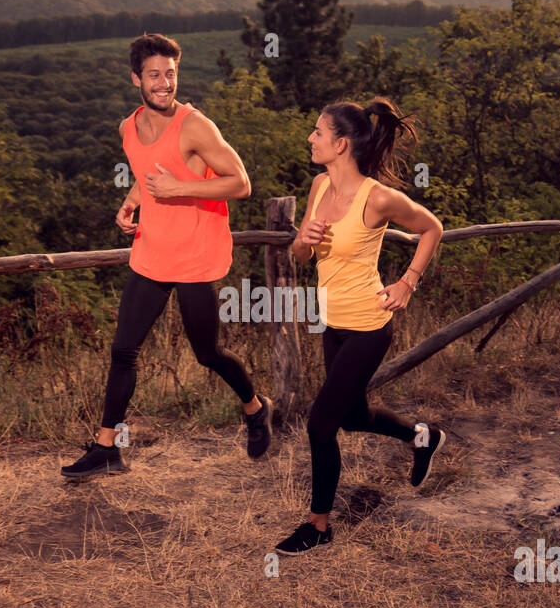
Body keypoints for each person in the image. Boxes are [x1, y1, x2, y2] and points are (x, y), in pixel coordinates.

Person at [61, 33, 272, 479]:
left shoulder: (196, 126)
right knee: (123, 351)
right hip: (152, 252)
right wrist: (131, 201)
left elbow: (241, 183)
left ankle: (255, 408)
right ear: (135, 79)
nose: (164, 83)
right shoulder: (128, 127)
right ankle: (106, 449)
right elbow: (147, 174)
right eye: (154, 75)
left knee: (207, 354)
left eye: (170, 74)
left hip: (195, 256)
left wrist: (181, 188)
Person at [275, 97, 446, 554]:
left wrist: (408, 282)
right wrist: (303, 239)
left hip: (369, 327)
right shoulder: (318, 186)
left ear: (341, 144)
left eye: (318, 132)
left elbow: (432, 228)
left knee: (320, 424)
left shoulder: (378, 198)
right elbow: (301, 255)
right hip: (332, 323)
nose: (310, 138)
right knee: (351, 417)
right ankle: (422, 438)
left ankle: (318, 526)